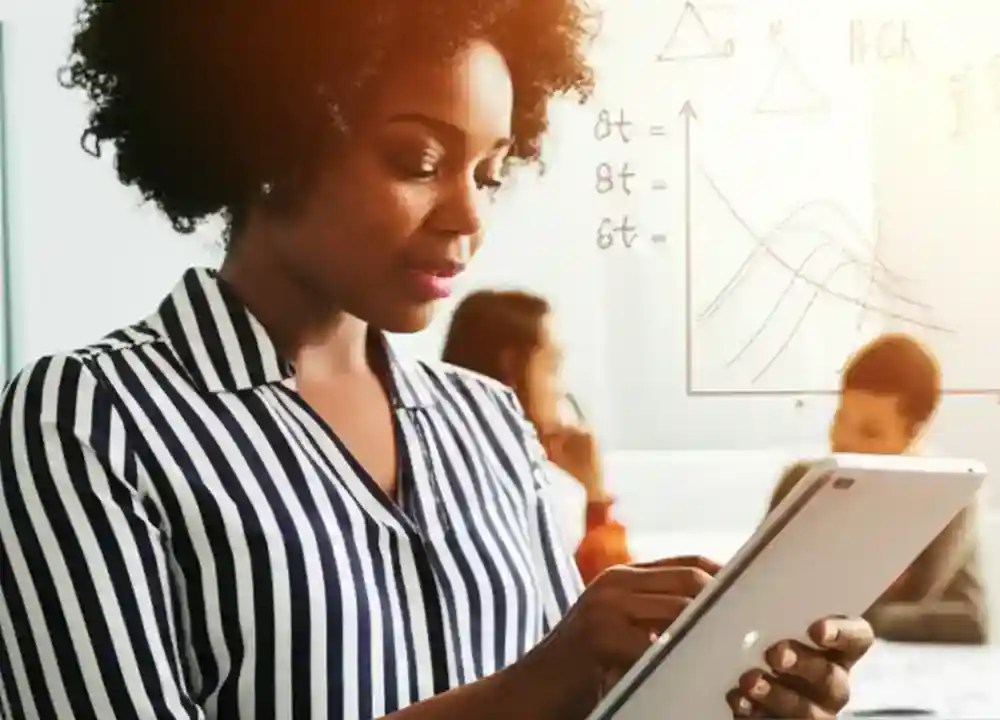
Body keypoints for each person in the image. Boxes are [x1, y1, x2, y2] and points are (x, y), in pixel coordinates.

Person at [0, 1, 872, 718]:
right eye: (419, 161)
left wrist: (719, 695)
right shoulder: (84, 421)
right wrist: (535, 684)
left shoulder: (485, 422)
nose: (470, 217)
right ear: (269, 139)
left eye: (490, 173)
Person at [769, 333, 988, 645]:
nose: (845, 442)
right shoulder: (800, 485)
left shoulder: (946, 494)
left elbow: (964, 621)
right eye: (840, 419)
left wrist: (829, 609)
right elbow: (762, 591)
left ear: (915, 434)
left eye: (870, 433)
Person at [441, 289, 630, 583]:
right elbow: (617, 597)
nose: (562, 389)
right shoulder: (539, 493)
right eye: (553, 367)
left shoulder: (441, 456)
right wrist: (595, 497)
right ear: (511, 366)